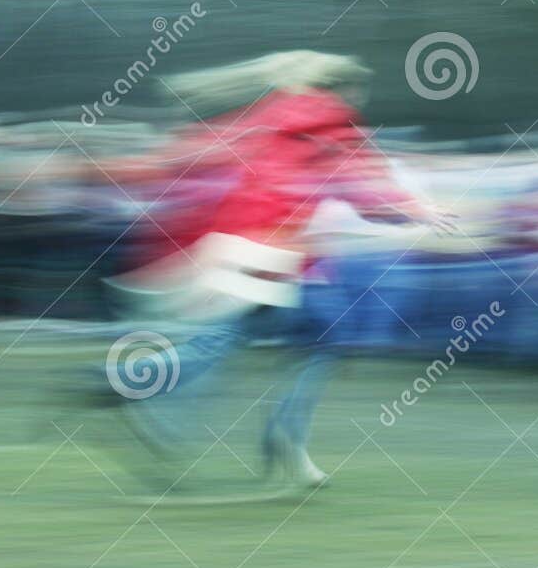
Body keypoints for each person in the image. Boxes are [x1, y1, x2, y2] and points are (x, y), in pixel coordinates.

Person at [99, 50, 450, 488]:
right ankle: (280, 436)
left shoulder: (268, 116)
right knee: (324, 340)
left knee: (229, 339)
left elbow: (202, 157)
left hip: (235, 244)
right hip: (280, 252)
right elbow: (364, 187)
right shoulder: (334, 126)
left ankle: (138, 391)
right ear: (347, 91)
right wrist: (418, 210)